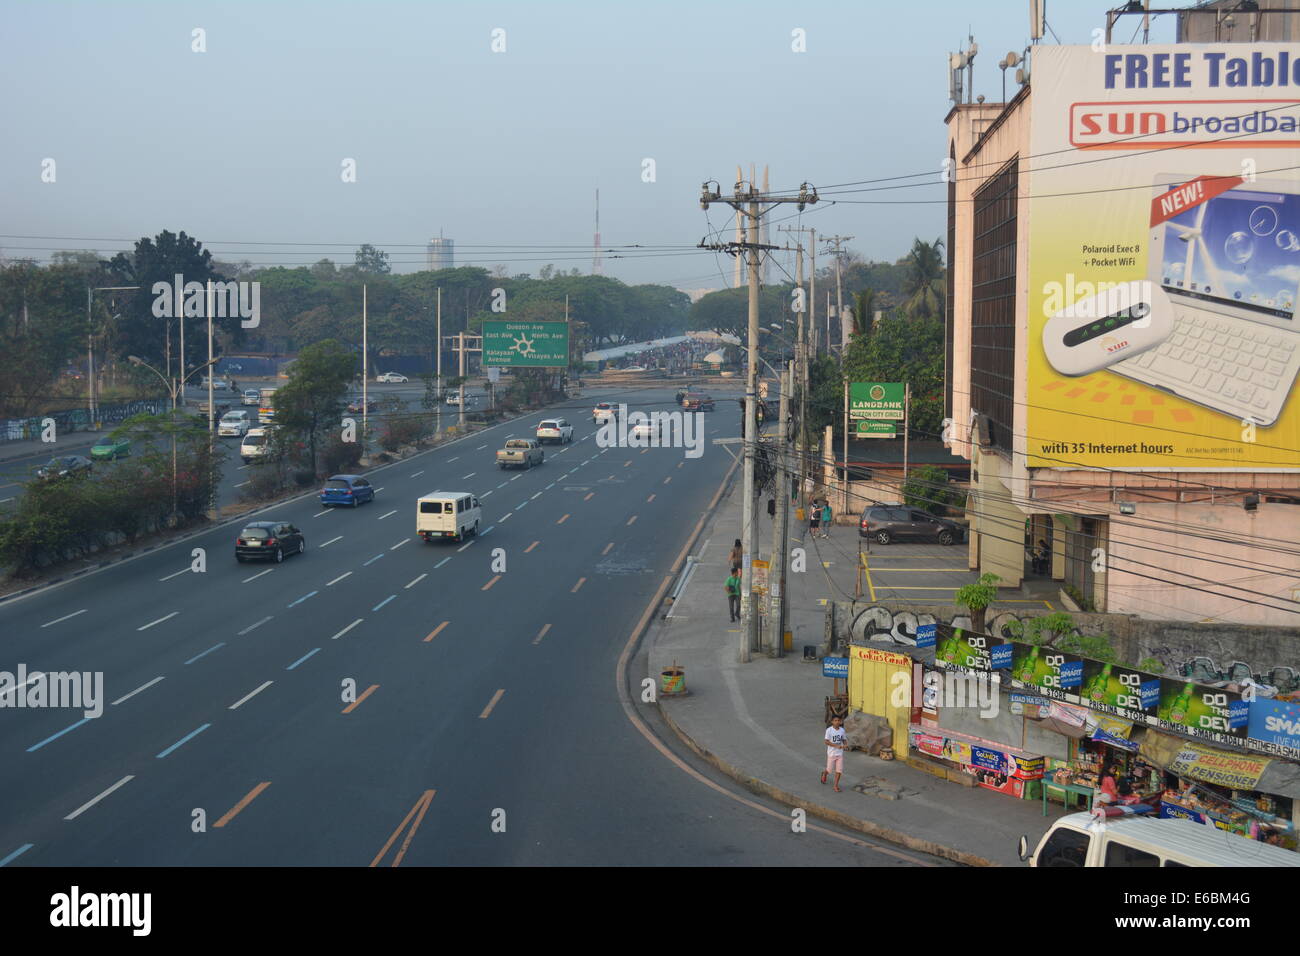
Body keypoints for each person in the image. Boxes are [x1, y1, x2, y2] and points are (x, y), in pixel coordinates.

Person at [822, 715, 847, 791]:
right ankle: (824, 773)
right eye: (835, 720)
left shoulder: (842, 730)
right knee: (829, 770)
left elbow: (844, 739)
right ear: (832, 722)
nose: (837, 722)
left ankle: (835, 786)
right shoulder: (829, 730)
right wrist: (836, 746)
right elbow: (826, 741)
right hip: (831, 754)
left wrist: (845, 745)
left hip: (839, 754)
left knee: (839, 771)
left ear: (840, 721)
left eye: (838, 720)